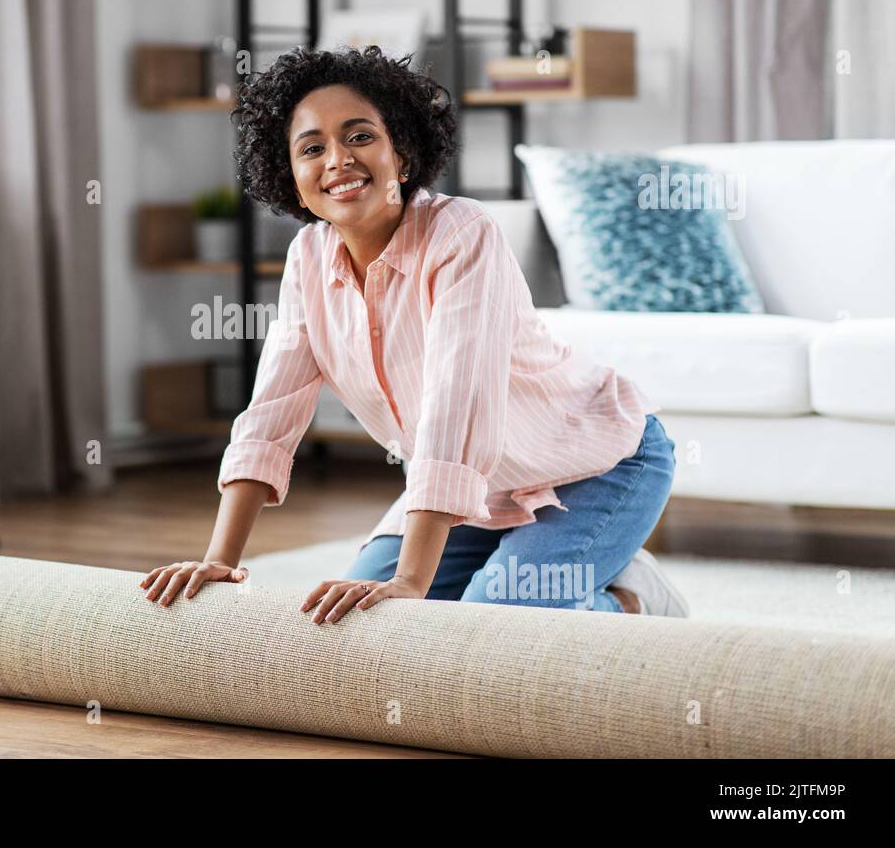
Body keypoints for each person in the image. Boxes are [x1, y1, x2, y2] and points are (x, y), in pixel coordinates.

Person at [139, 45, 688, 623]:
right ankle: (569, 571)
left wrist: (411, 580)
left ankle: (630, 599)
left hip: (597, 466)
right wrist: (219, 561)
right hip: (476, 493)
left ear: (401, 155)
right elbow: (271, 414)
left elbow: (456, 405)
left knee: (487, 627)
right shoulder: (307, 258)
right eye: (312, 148)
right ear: (293, 182)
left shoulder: (461, 234)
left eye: (359, 137)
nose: (338, 160)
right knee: (364, 626)